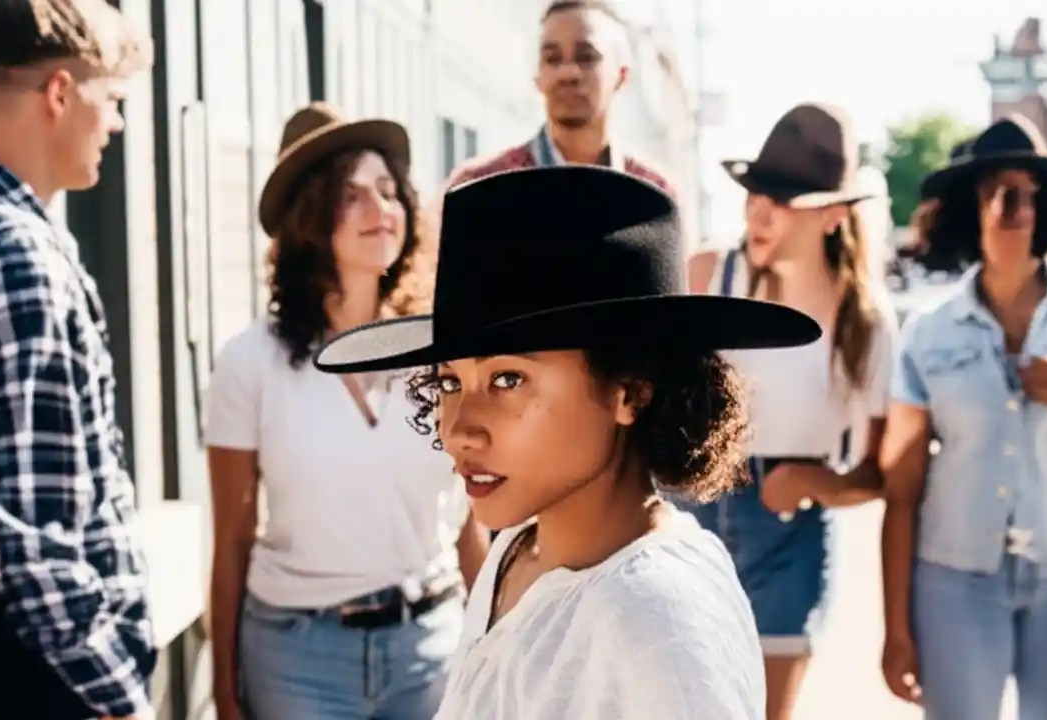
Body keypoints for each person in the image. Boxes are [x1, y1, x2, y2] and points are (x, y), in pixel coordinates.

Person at [315, 166, 822, 719]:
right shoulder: (516, 548)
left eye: (507, 380)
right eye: (448, 382)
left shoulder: (659, 620)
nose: (460, 428)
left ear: (629, 391)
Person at [205, 103, 487, 720]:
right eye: (351, 194)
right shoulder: (251, 360)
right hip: (296, 658)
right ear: (310, 216)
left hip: (432, 648)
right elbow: (230, 539)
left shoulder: (439, 354)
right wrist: (225, 692)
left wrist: (500, 644)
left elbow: (469, 518)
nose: (380, 210)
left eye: (388, 192)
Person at [881, 114, 1047, 720]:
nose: (1009, 205)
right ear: (966, 208)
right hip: (955, 580)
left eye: (1026, 191)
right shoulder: (927, 332)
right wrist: (896, 629)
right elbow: (900, 491)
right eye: (992, 190)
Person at [0, 2, 156, 719]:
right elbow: (26, 533)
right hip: (37, 681)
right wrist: (118, 696)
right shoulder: (15, 258)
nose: (118, 124)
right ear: (61, 93)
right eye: (114, 99)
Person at [687, 102, 894, 720]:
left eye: (782, 199)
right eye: (754, 194)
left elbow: (880, 476)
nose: (757, 209)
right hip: (688, 510)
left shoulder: (867, 324)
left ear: (833, 215)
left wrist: (813, 482)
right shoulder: (709, 275)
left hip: (789, 531)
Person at [439, 1, 674, 196]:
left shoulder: (655, 193)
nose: (568, 73)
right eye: (552, 58)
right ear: (537, 77)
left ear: (622, 75)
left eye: (586, 57)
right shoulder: (479, 186)